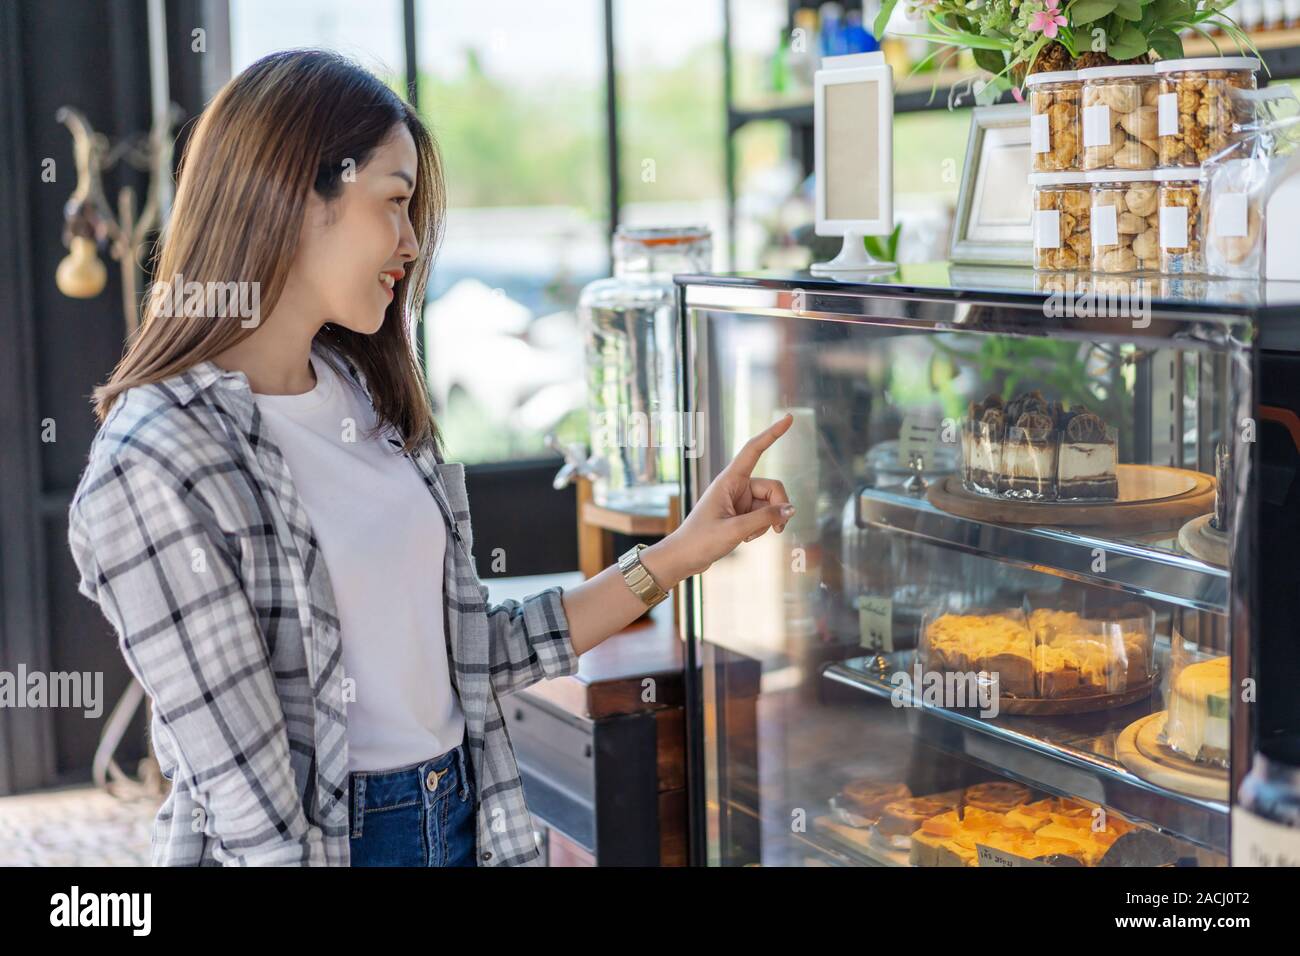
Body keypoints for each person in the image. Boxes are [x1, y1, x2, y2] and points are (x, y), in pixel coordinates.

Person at [67, 49, 794, 867]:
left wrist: (679, 553)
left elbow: (470, 654)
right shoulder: (158, 458)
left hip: (463, 815)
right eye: (395, 202)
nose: (411, 243)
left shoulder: (362, 392)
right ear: (295, 196)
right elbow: (256, 815)